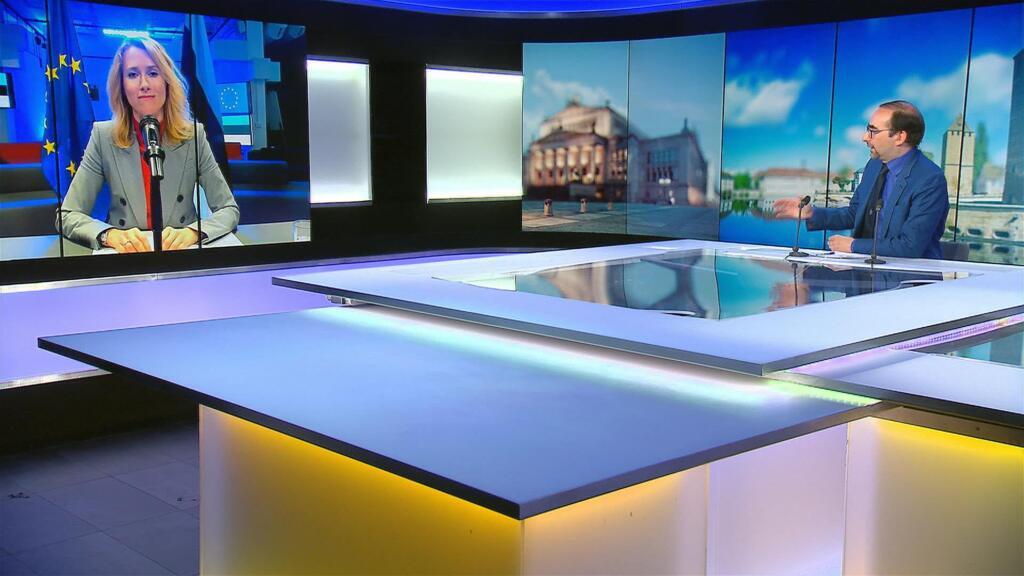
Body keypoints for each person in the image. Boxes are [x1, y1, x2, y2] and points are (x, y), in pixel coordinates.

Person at [59, 37, 239, 253]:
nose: (144, 84)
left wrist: (194, 232)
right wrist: (109, 235)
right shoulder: (103, 136)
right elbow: (67, 215)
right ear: (121, 85)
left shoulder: (194, 136)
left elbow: (228, 209)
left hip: (181, 253)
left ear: (167, 81)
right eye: (133, 74)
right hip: (127, 254)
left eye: (153, 73)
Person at [773, 100, 948, 259]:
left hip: (911, 279)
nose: (865, 137)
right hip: (865, 271)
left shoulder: (930, 179)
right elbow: (855, 213)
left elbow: (909, 246)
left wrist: (853, 245)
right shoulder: (874, 166)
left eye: (873, 131)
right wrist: (812, 213)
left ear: (900, 137)